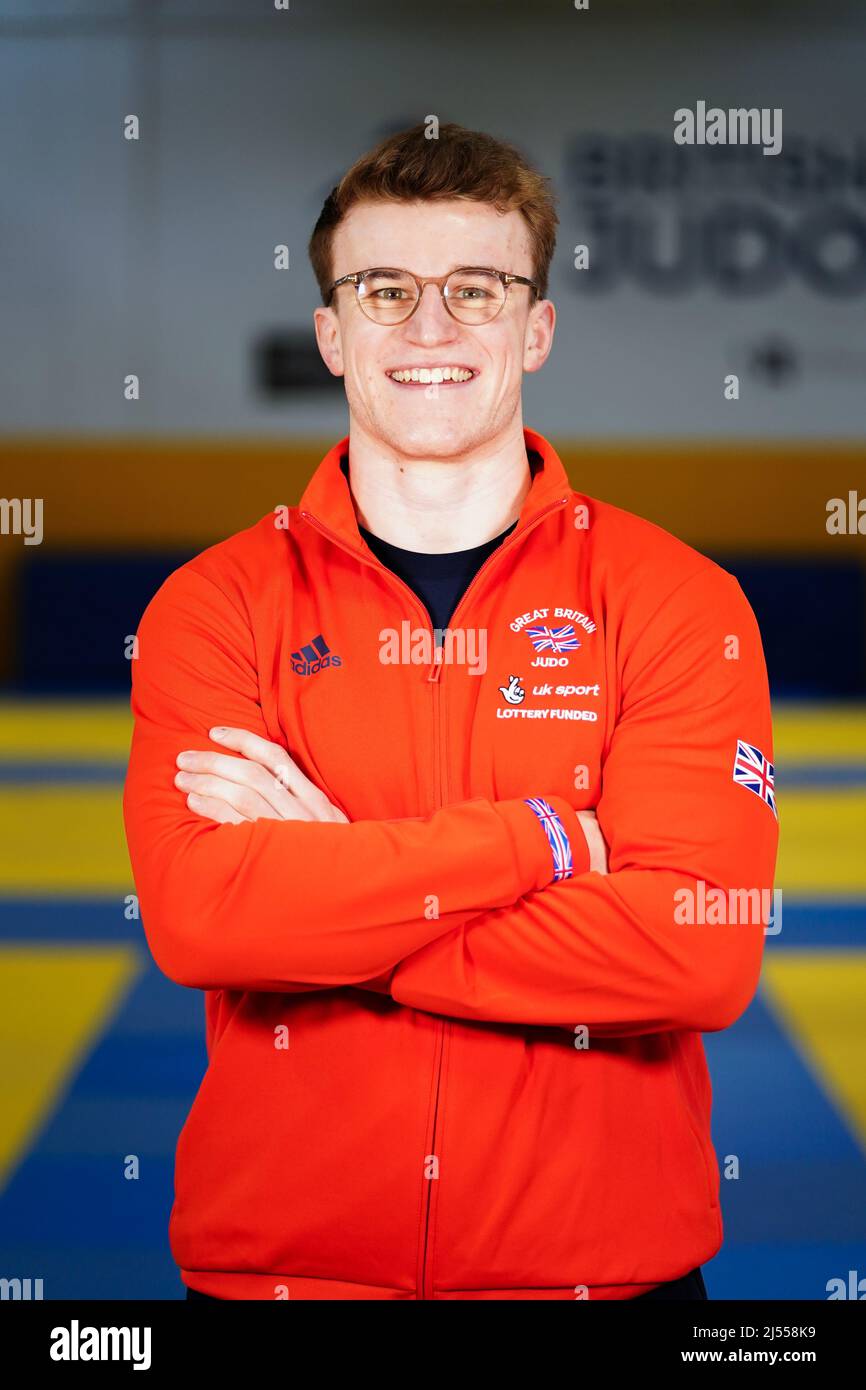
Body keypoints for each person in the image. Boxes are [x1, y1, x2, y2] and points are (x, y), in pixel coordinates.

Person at [123, 122, 778, 1301]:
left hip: (600, 1278)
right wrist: (537, 844)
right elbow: (200, 923)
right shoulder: (211, 606)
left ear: (535, 327)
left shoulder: (680, 602)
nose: (430, 329)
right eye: (385, 291)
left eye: (475, 290)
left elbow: (697, 952)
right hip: (283, 1279)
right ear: (331, 332)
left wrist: (327, 884)